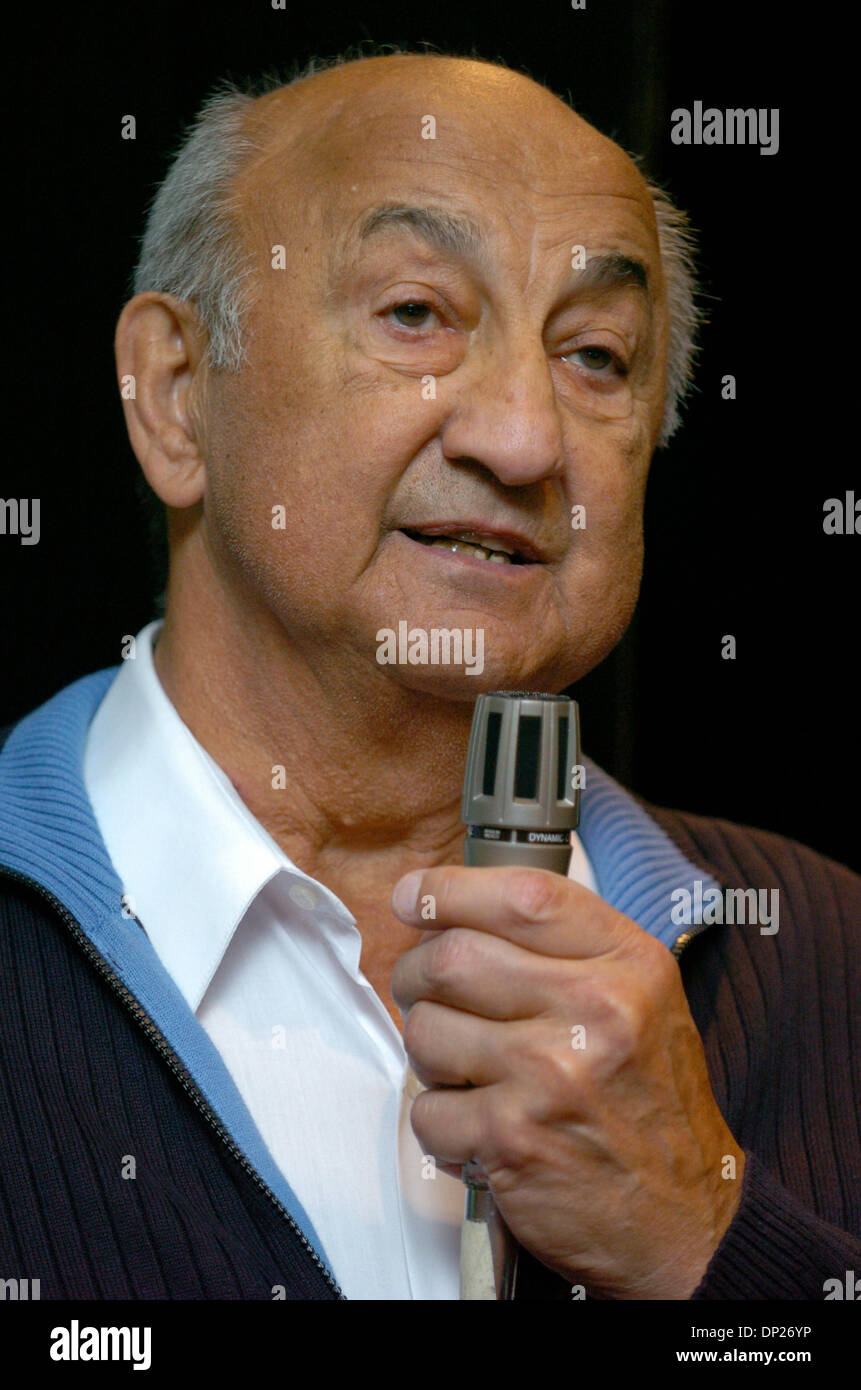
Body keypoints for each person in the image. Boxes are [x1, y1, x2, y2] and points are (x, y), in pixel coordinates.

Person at [0, 49, 858, 1302]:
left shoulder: (827, 957)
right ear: (178, 400)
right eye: (417, 314)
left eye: (596, 356)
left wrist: (707, 1235)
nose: (522, 436)